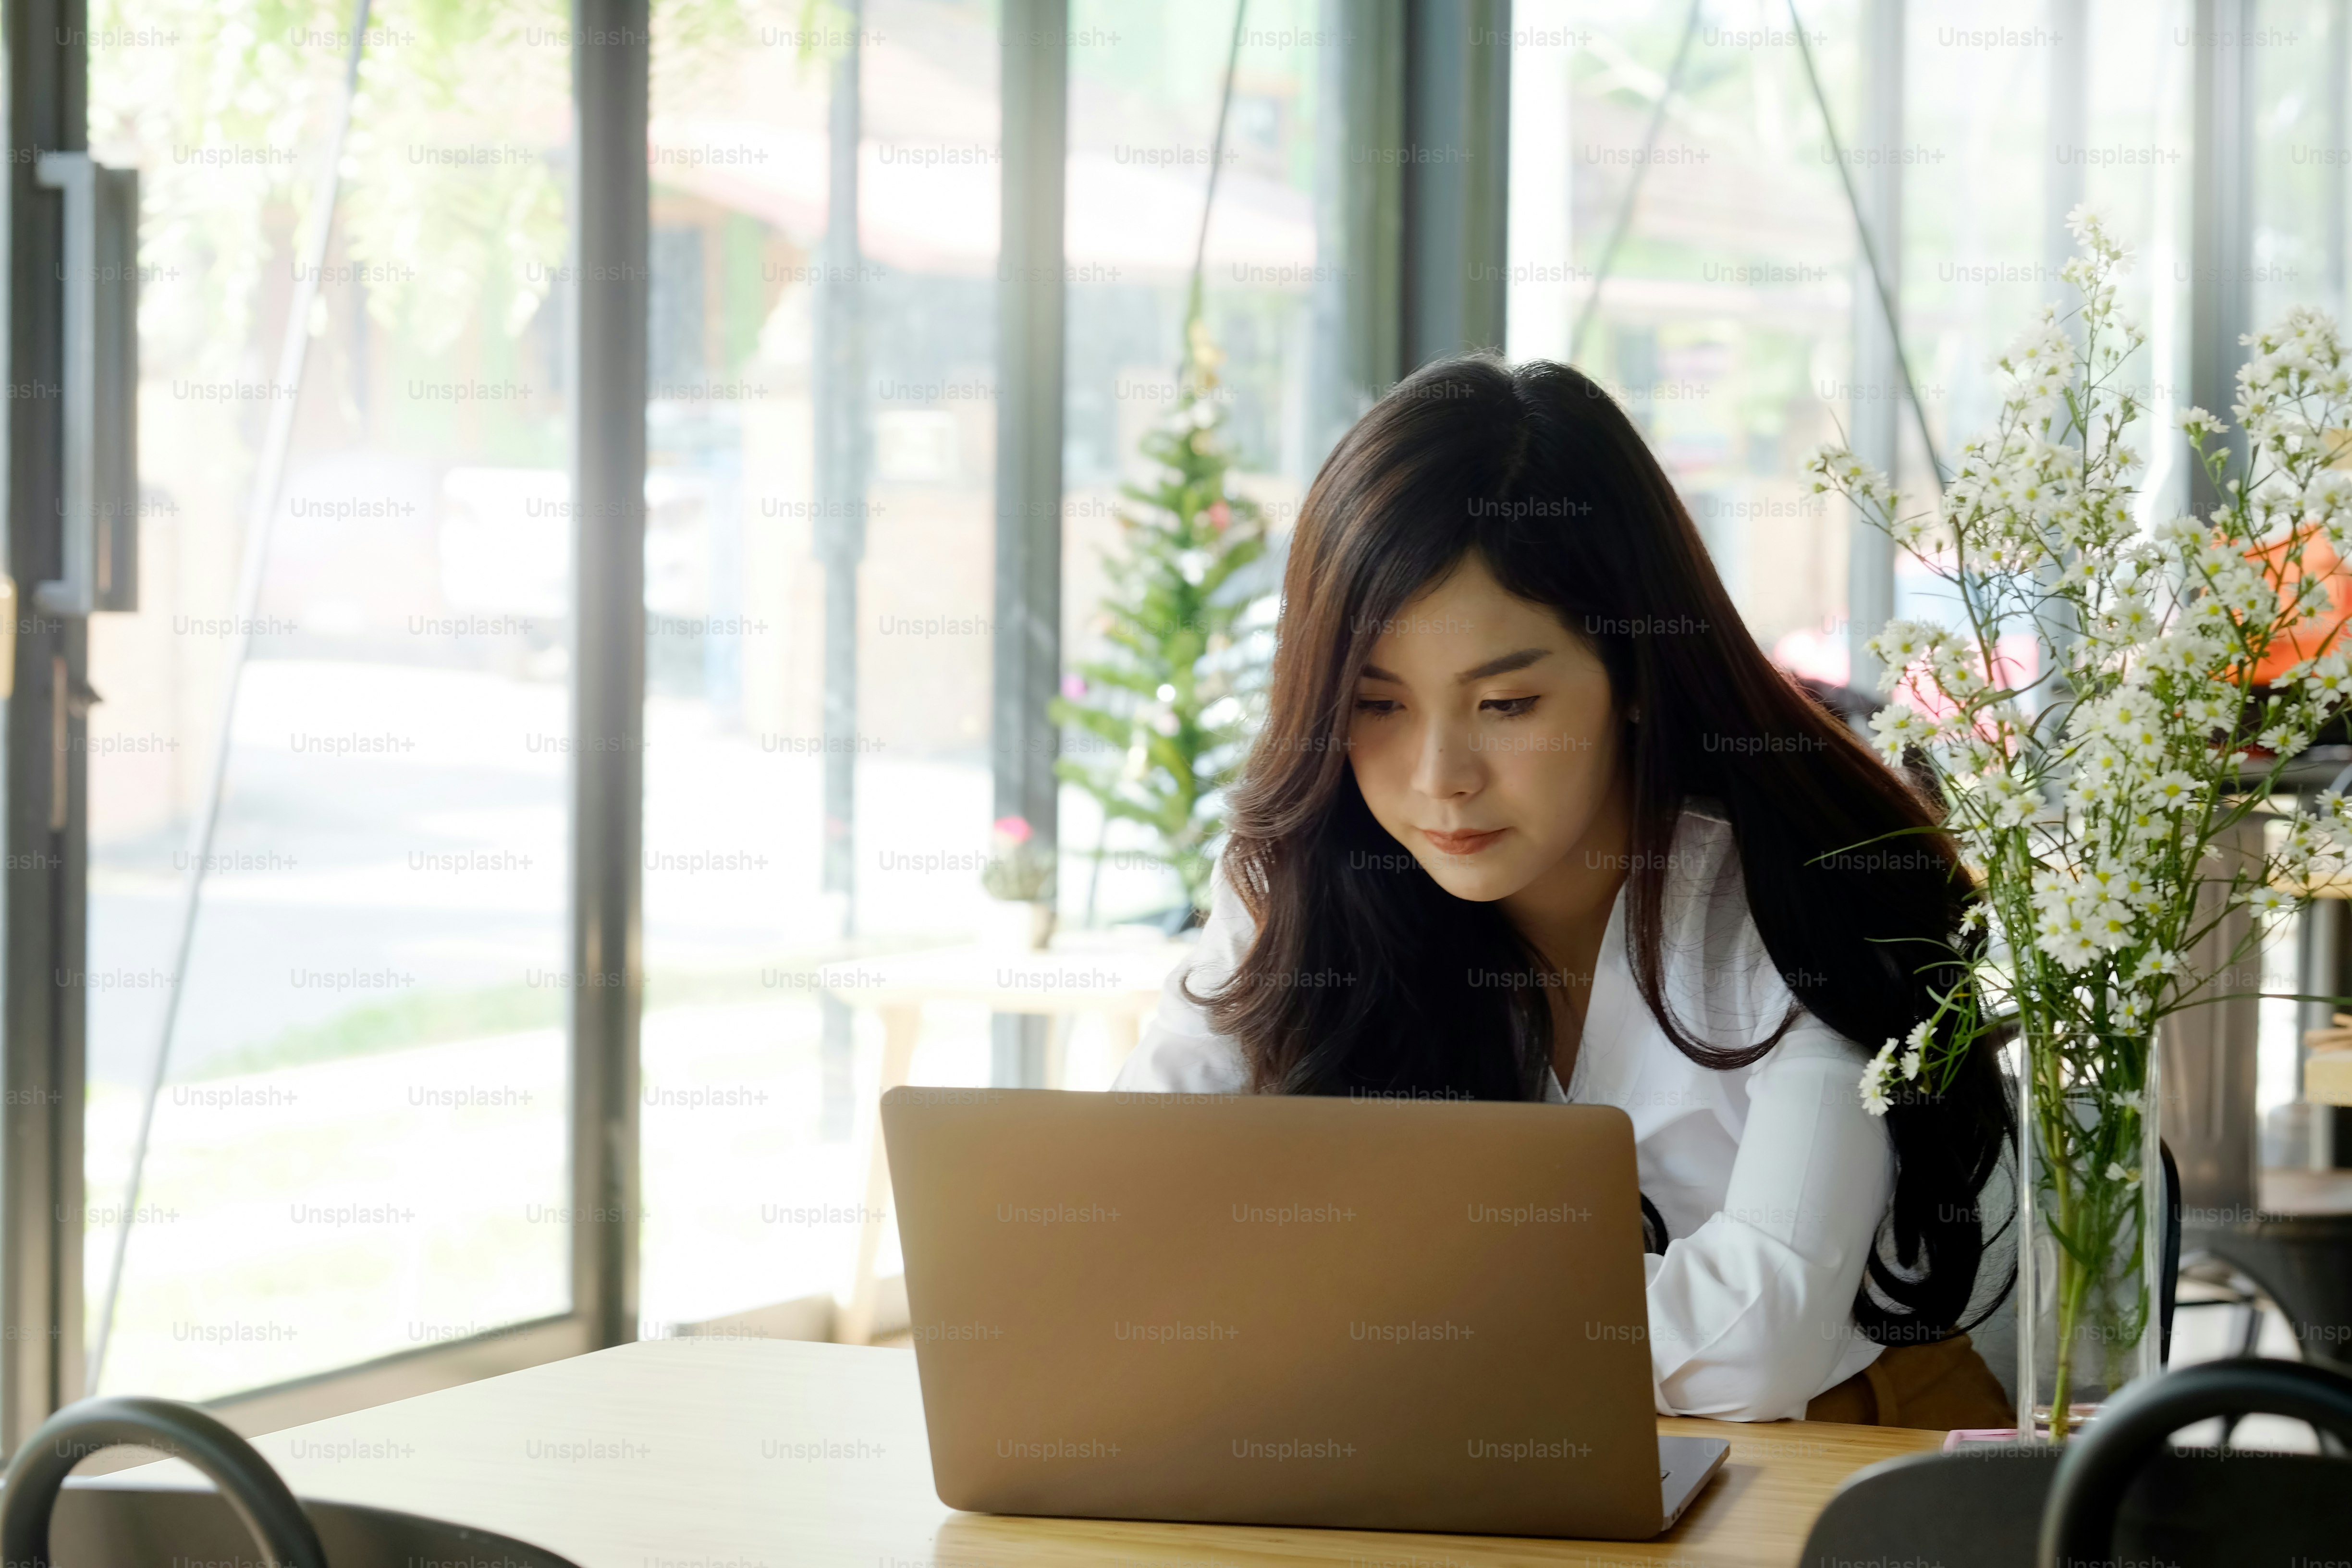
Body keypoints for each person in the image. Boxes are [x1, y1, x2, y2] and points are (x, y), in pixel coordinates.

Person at [1112, 356, 2015, 1429]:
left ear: (1634, 671)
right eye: (1378, 705)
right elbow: (1128, 1208)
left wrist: (1348, 1317)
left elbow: (1756, 1334)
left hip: (1840, 1470)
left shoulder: (1804, 891)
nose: (1439, 775)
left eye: (1506, 702)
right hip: (1469, 1466)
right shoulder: (1307, 869)